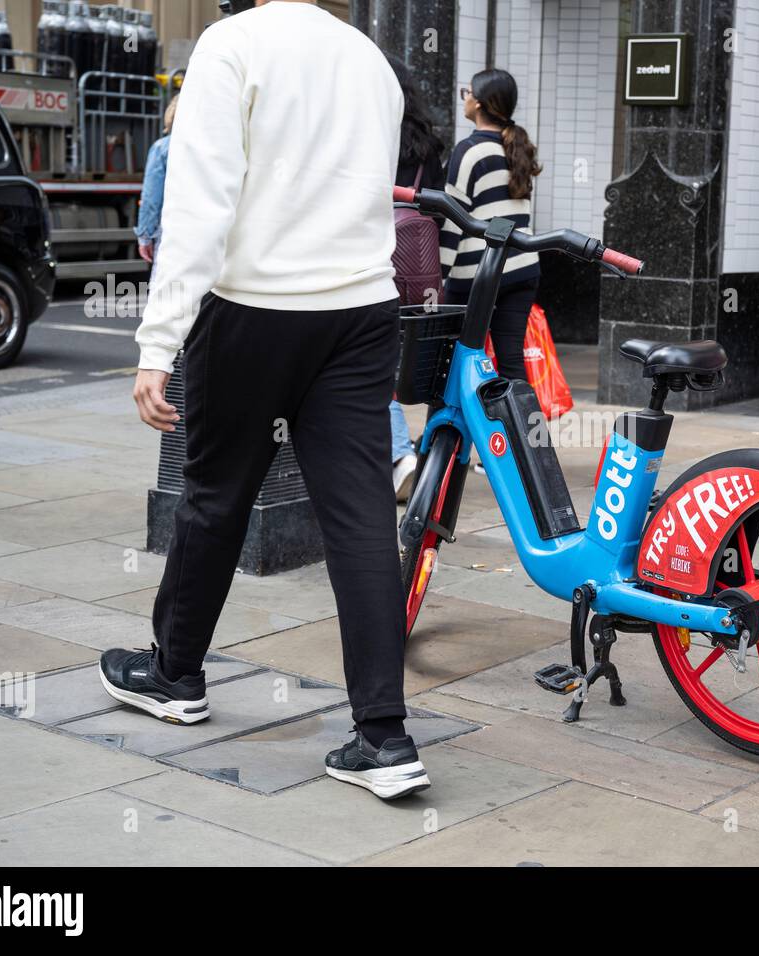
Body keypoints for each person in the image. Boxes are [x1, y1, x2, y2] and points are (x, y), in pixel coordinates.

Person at [105, 0, 430, 801]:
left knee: (216, 496)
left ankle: (175, 675)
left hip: (252, 306)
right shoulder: (368, 59)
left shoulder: (233, 44)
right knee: (359, 514)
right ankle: (384, 736)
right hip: (360, 308)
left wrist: (159, 341)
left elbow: (200, 201)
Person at [441, 68, 542, 474]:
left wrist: (440, 276)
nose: (463, 97)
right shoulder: (516, 146)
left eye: (466, 91)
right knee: (511, 363)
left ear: (479, 103)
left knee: (455, 361)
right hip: (523, 267)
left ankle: (445, 446)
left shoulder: (468, 151)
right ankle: (524, 449)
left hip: (476, 275)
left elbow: (451, 220)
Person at [385, 51, 445, 502]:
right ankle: (430, 456)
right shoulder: (429, 146)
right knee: (416, 367)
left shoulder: (371, 132)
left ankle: (400, 453)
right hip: (419, 270)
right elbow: (438, 212)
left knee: (371, 367)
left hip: (371, 265)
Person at [135, 95, 178, 273]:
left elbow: (151, 197)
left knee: (165, 292)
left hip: (172, 231)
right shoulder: (216, 149)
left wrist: (145, 236)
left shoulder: (163, 149)